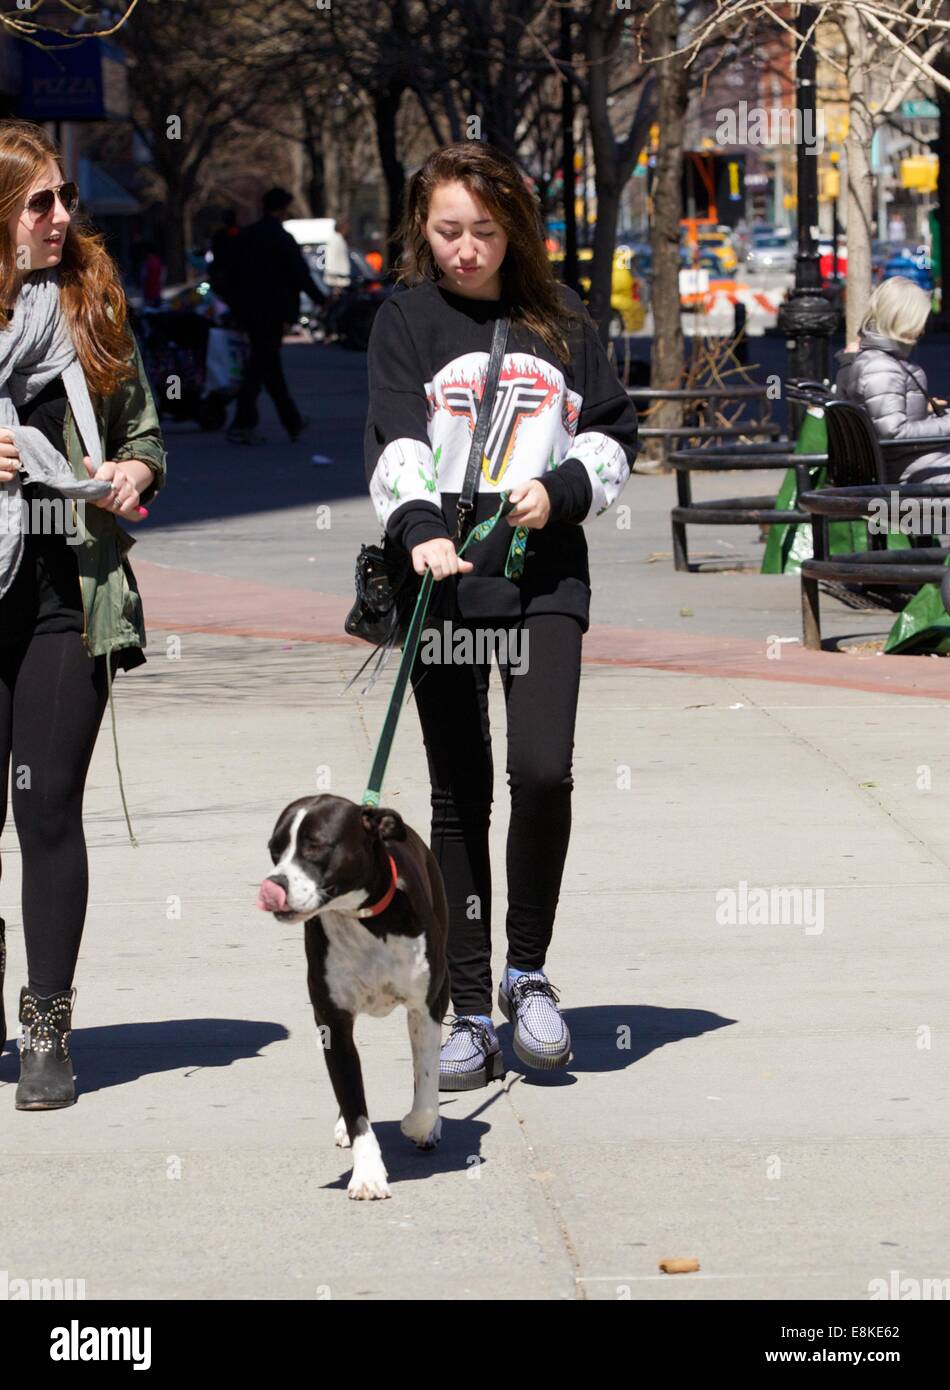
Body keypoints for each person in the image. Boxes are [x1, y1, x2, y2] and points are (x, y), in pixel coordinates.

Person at [363, 141, 638, 1089]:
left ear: (515, 228)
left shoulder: (562, 319)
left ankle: (530, 971)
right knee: (458, 795)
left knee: (543, 770)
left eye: (485, 230)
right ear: (421, 230)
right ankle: (469, 1004)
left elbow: (612, 433)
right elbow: (395, 434)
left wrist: (561, 487)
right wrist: (420, 528)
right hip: (444, 574)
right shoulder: (403, 318)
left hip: (544, 572)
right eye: (448, 231)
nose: (467, 249)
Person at [0, 119, 167, 1109]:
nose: (64, 217)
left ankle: (47, 1028)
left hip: (69, 597)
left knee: (47, 807)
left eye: (64, 197)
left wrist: (130, 466)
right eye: (40, 202)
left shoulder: (90, 303)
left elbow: (144, 426)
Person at [225, 187, 326, 445]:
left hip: (250, 312)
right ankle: (245, 423)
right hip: (272, 313)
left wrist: (235, 306)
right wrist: (321, 300)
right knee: (261, 367)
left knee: (265, 366)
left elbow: (226, 273)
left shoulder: (246, 237)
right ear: (282, 209)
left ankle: (290, 421)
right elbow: (299, 274)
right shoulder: (281, 238)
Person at [835, 275, 950, 486]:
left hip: (917, 464)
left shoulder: (880, 361)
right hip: (912, 473)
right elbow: (894, 433)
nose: (924, 326)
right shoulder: (881, 367)